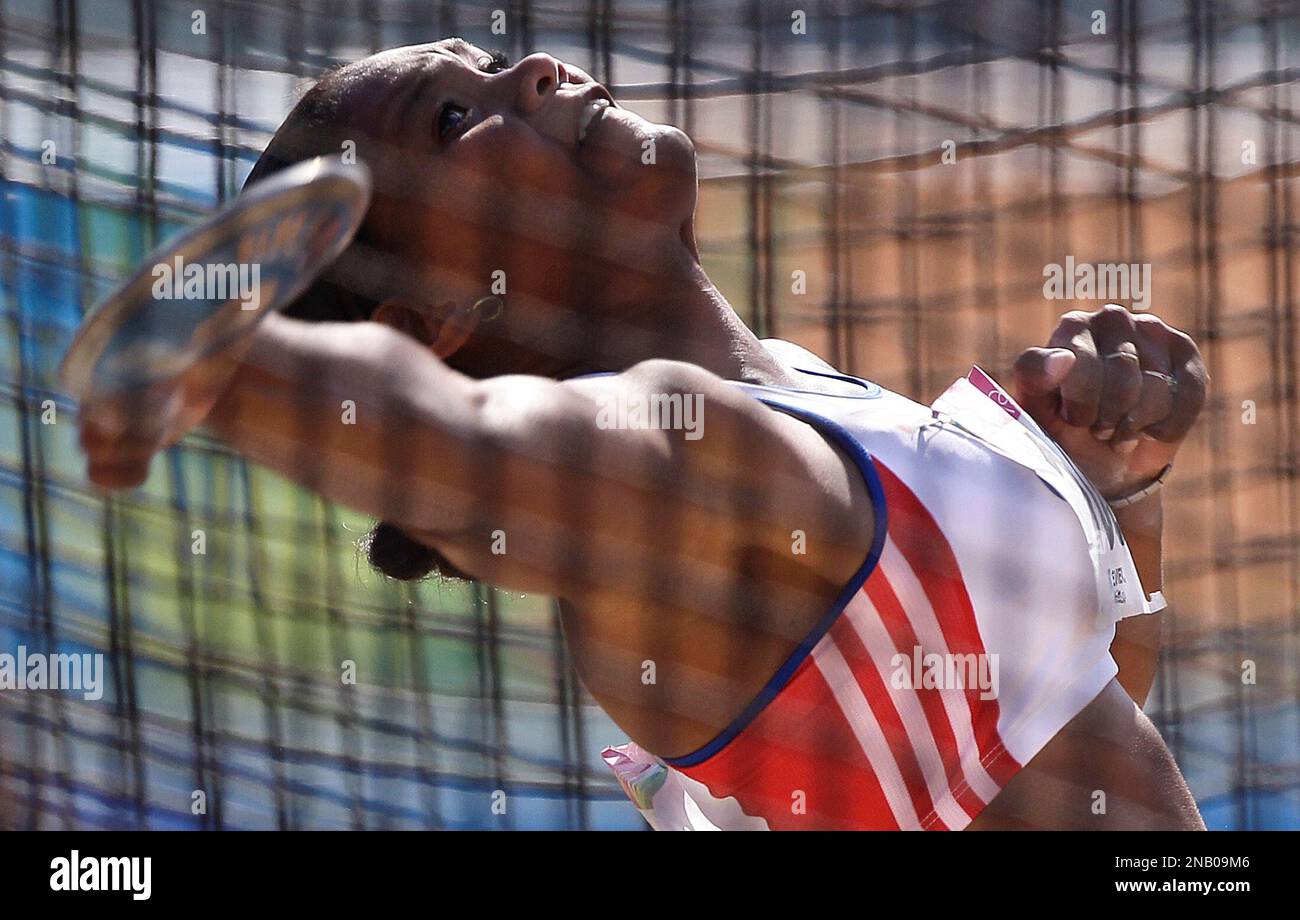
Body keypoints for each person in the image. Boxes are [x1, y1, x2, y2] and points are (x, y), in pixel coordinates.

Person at [77, 39, 1208, 830]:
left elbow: (1062, 713)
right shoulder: (676, 449)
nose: (529, 70)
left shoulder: (803, 386)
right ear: (433, 318)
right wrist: (224, 363)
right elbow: (463, 451)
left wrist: (1114, 488)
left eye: (493, 56)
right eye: (457, 116)